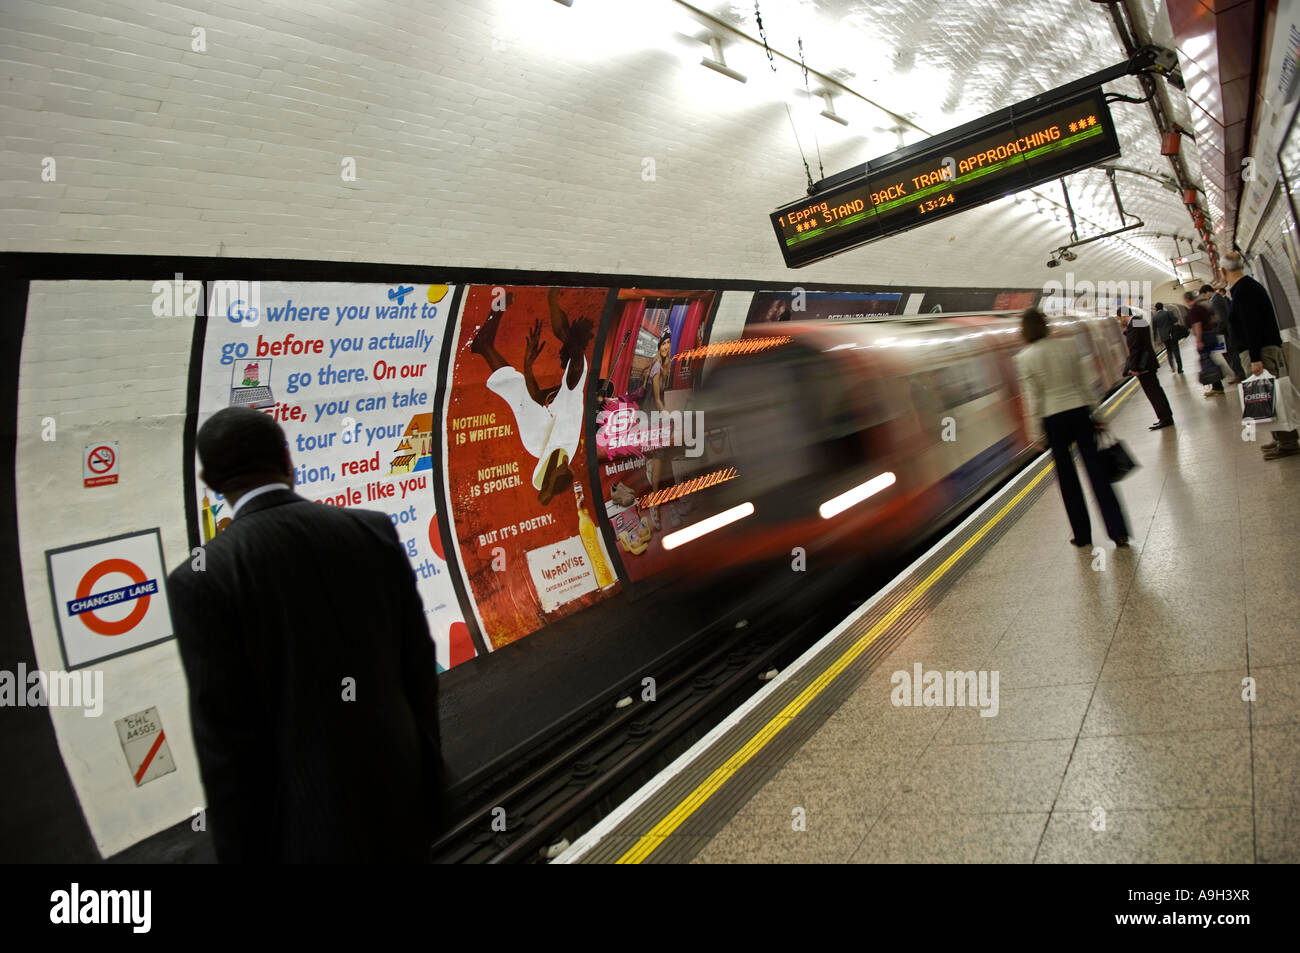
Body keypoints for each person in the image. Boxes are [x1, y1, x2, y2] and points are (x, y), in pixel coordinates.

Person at [167, 408, 444, 862]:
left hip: (307, 829)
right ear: (286, 458)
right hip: (400, 788)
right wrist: (428, 773)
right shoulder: (370, 529)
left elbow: (226, 743)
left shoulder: (201, 579)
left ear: (210, 482)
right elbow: (417, 666)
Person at [1015, 308, 1130, 548]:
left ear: (1024, 331)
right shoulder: (1068, 346)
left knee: (1068, 481)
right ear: (1046, 326)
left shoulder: (1024, 358)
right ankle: (1118, 532)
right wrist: (1097, 413)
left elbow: (1032, 399)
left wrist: (1035, 434)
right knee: (1098, 473)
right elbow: (1085, 384)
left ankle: (1082, 536)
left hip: (1053, 419)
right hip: (1079, 412)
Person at [471, 287, 595, 503]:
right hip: (544, 439)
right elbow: (537, 396)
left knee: (517, 384)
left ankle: (486, 339)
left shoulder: (577, 371)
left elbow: (561, 331)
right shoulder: (567, 391)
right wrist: (527, 366)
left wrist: (552, 298)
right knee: (517, 384)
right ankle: (484, 344)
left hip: (537, 442)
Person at [1224, 250, 1299, 459]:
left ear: (1223, 271)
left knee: (1272, 396)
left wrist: (1255, 358)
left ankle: (1288, 442)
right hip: (1261, 350)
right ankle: (1280, 437)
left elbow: (1251, 327)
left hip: (1260, 352)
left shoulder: (1243, 291)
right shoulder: (1247, 287)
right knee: (1267, 396)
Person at [1121, 308, 1175, 428]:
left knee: (1152, 392)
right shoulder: (1139, 321)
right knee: (1156, 390)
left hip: (1143, 364)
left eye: (1119, 318)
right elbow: (1140, 336)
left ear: (1123, 316)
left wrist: (1134, 367)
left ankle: (1164, 418)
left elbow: (1135, 346)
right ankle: (1166, 416)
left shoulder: (1133, 325)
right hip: (1149, 361)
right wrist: (1126, 331)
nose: (1120, 321)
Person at [642, 331, 674, 530]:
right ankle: (654, 502)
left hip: (656, 414)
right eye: (664, 343)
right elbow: (656, 398)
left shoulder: (665, 366)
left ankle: (652, 472)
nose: (666, 347)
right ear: (658, 346)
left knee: (660, 454)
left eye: (669, 343)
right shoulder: (655, 366)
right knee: (660, 454)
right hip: (650, 414)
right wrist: (670, 416)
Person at [1184, 287, 1235, 396]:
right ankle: (1217, 383)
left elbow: (1197, 326)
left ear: (1187, 300)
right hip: (1211, 334)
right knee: (1208, 359)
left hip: (1204, 337)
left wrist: (1198, 340)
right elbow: (1213, 318)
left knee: (1206, 361)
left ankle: (1217, 383)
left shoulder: (1193, 311)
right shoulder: (1202, 307)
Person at [1209, 282, 1246, 381]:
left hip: (1222, 333)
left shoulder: (1215, 300)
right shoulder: (1218, 298)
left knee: (1229, 354)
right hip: (1224, 332)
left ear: (1207, 292)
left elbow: (1221, 318)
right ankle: (1239, 373)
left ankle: (1239, 374)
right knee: (1230, 353)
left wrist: (1216, 331)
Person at [1151, 301, 1184, 374]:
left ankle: (1172, 367)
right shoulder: (1167, 313)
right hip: (1172, 334)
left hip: (1164, 337)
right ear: (1162, 307)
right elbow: (1175, 319)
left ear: (1156, 309)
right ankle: (1179, 368)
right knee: (1176, 351)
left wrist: (1155, 338)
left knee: (1169, 351)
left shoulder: (1155, 317)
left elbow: (1154, 329)